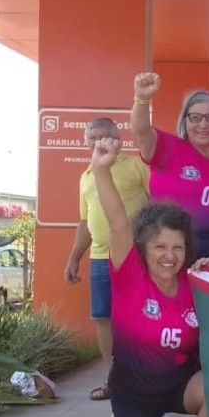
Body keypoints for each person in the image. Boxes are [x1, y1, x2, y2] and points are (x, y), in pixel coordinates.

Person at [90, 136, 209, 417]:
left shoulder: (194, 283)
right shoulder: (129, 274)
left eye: (178, 247)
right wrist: (102, 168)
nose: (169, 255)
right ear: (143, 247)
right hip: (134, 396)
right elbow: (117, 223)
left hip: (179, 386)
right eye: (160, 246)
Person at [64, 118, 150, 402]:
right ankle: (114, 379)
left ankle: (145, 376)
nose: (99, 142)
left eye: (105, 136)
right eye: (93, 137)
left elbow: (157, 206)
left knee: (140, 315)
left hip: (136, 257)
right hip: (100, 258)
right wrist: (74, 258)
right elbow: (84, 222)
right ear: (85, 142)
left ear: (119, 139)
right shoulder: (86, 176)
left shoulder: (136, 166)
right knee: (102, 318)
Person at [131, 72, 209, 266]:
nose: (203, 124)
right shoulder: (167, 148)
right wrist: (142, 99)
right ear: (185, 121)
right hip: (168, 265)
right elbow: (140, 130)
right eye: (195, 117)